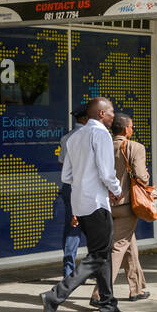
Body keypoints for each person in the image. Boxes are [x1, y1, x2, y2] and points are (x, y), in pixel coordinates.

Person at [41, 98, 132, 312]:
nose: (114, 116)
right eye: (111, 112)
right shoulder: (100, 134)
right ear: (101, 114)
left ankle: (108, 307)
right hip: (97, 203)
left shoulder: (74, 137)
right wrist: (116, 189)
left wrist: (83, 185)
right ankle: (55, 296)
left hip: (80, 202)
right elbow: (106, 171)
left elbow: (66, 176)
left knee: (99, 255)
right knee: (98, 256)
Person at [106, 113, 151, 302]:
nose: (132, 129)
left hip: (106, 204)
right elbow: (141, 176)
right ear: (126, 130)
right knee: (118, 249)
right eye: (131, 127)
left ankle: (137, 288)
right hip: (126, 205)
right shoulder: (135, 147)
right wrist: (147, 177)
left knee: (129, 246)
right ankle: (100, 294)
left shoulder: (103, 146)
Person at [57, 108, 89, 279]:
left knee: (72, 226)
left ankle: (68, 271)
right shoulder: (92, 136)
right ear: (85, 118)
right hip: (88, 187)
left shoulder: (66, 137)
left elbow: (62, 163)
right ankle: (93, 268)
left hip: (70, 186)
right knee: (95, 228)